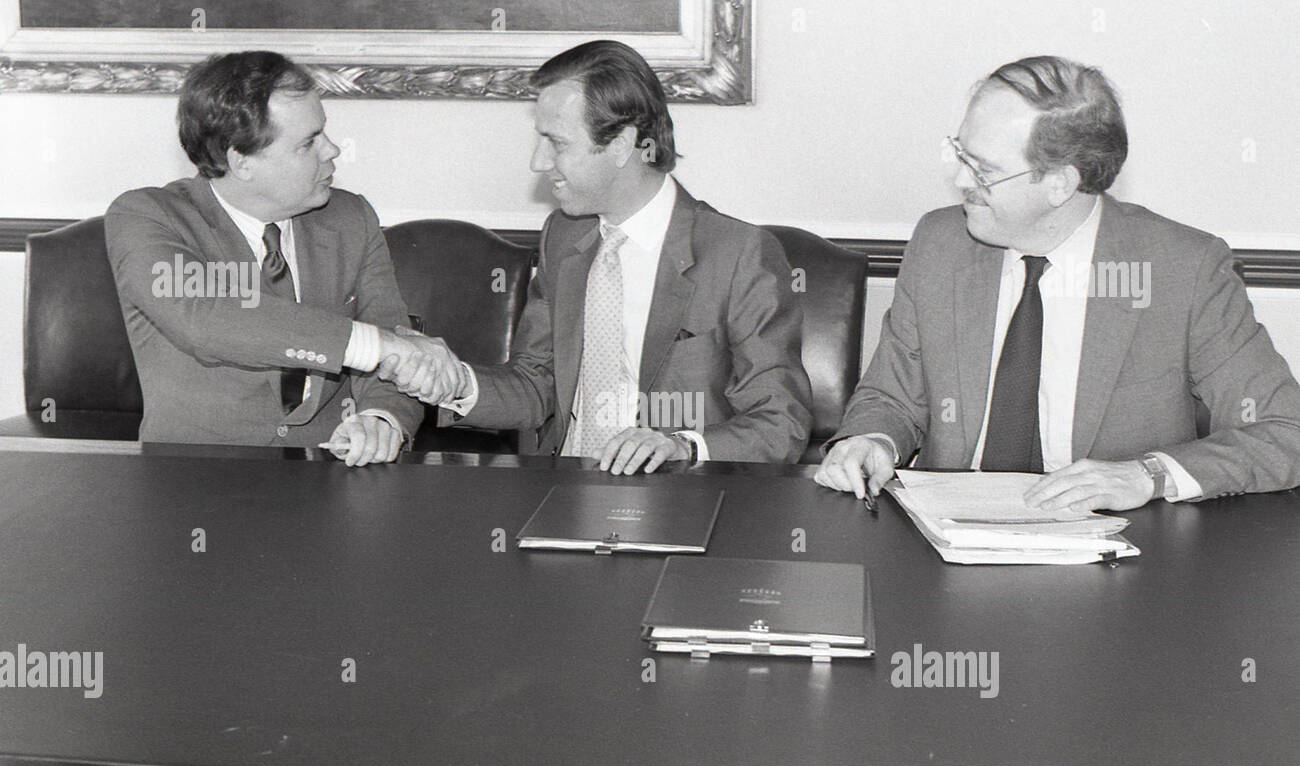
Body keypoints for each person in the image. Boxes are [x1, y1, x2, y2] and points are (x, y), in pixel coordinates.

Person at [816, 55, 1300, 508]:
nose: (961, 181)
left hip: (1120, 558)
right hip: (949, 538)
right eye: (960, 153)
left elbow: (1284, 430)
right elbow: (892, 396)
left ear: (1060, 184)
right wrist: (871, 439)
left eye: (983, 170)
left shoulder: (1182, 268)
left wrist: (1147, 475)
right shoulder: (939, 243)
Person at [392, 40, 812, 473]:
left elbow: (781, 423)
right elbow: (537, 387)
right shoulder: (563, 235)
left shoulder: (738, 254)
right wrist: (457, 382)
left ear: (621, 144)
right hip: (560, 489)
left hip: (681, 501)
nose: (538, 162)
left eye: (556, 143)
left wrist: (683, 447)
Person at [106, 51, 459, 466]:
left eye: (324, 133)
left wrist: (382, 419)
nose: (332, 151)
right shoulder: (150, 217)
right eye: (308, 143)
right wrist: (375, 345)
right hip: (197, 479)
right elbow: (206, 318)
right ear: (242, 162)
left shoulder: (351, 218)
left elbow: (392, 339)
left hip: (334, 471)